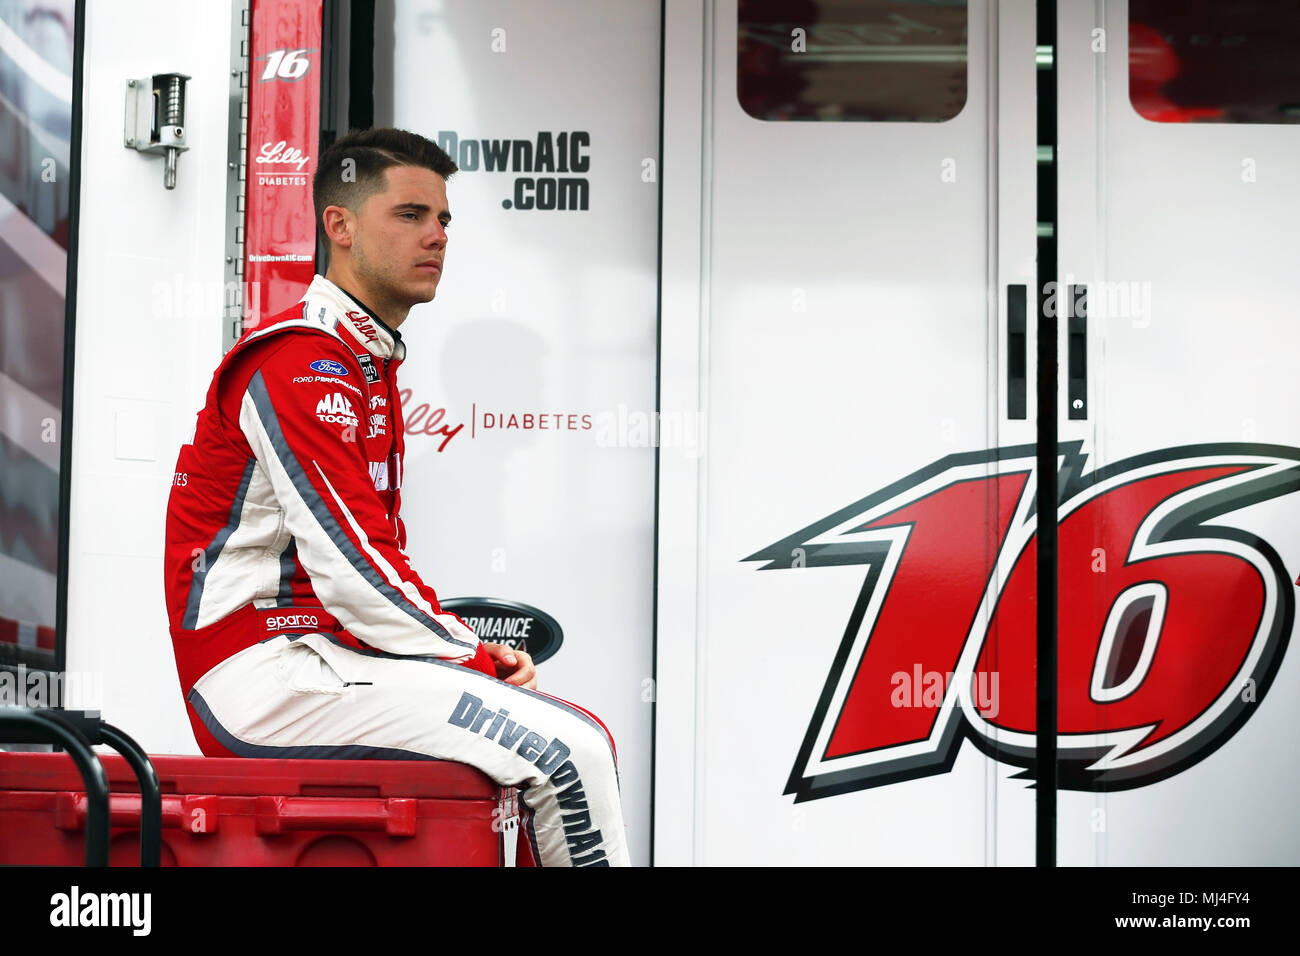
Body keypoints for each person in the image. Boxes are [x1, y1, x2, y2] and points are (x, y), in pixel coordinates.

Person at [163, 127, 629, 867]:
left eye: (444, 219)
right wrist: (471, 653)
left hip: (323, 657)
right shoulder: (299, 360)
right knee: (569, 750)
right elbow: (354, 567)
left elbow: (369, 564)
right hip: (266, 676)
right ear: (339, 226)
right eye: (410, 215)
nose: (437, 235)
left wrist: (458, 653)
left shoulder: (361, 358)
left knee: (560, 741)